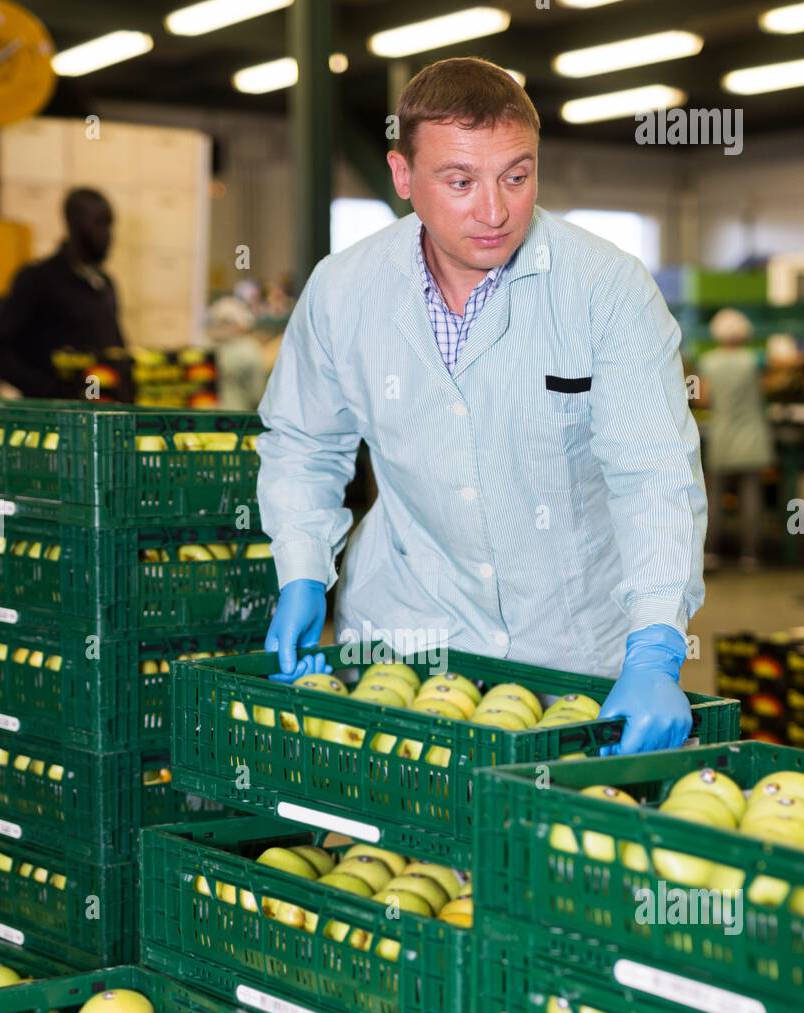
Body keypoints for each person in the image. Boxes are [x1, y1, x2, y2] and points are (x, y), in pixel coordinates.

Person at [256, 58, 706, 754]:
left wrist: (655, 644)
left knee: (546, 850)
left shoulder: (605, 288)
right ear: (403, 177)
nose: (494, 211)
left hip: (572, 651)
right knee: (411, 850)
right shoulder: (344, 289)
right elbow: (304, 444)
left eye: (516, 177)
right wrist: (303, 570)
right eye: (460, 181)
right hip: (405, 642)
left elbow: (653, 475)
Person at [0, 187, 124, 399]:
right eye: (99, 225)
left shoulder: (105, 284)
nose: (108, 236)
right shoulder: (37, 279)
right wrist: (51, 390)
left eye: (110, 226)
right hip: (54, 419)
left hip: (101, 415)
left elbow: (114, 349)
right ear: (74, 226)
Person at [698, 308, 775, 571]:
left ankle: (711, 553)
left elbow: (704, 398)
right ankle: (750, 555)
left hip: (722, 434)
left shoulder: (708, 361)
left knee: (715, 496)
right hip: (753, 433)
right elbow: (769, 387)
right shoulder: (756, 359)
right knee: (752, 496)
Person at [206, 296, 268, 410]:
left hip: (205, 419)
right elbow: (257, 394)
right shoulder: (249, 350)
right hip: (237, 419)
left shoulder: (205, 348)